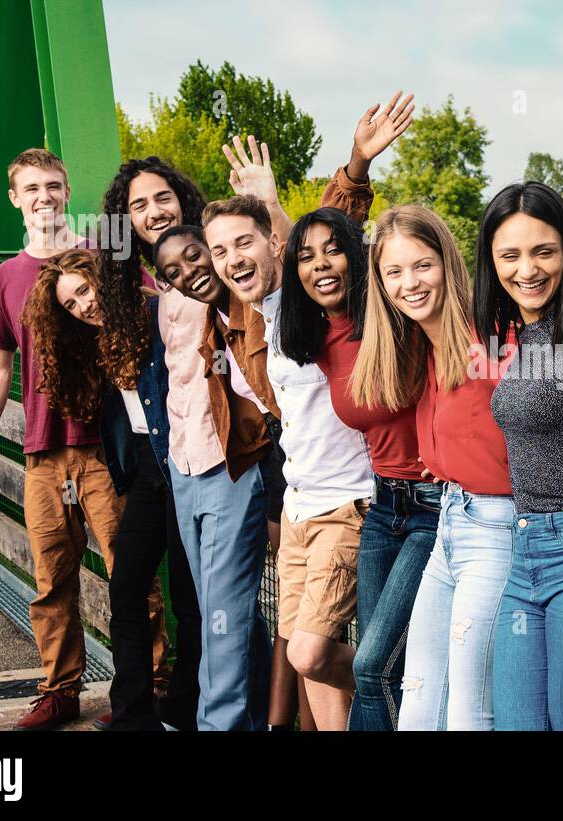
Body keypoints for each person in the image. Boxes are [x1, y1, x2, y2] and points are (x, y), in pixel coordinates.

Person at [0, 148, 167, 730]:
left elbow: (160, 304)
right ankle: (60, 691)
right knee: (51, 579)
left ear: (67, 188)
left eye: (53, 186)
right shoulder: (6, 277)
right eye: (31, 189)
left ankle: (148, 687)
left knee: (129, 573)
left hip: (108, 447)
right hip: (42, 452)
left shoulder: (101, 257)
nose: (43, 197)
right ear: (14, 198)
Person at [100, 156, 267, 730]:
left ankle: (214, 719)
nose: (153, 211)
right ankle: (212, 715)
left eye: (161, 198)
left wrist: (266, 201)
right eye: (138, 205)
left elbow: (281, 273)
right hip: (176, 462)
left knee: (216, 606)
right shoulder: (148, 293)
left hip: (226, 460)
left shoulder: (226, 275)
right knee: (210, 603)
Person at [203, 195, 373, 732]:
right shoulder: (264, 320)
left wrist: (276, 200)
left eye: (244, 242)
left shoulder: (325, 307)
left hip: (346, 505)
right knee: (309, 664)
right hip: (298, 511)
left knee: (309, 653)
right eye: (220, 250)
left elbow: (332, 244)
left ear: (274, 244)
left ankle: (413, 681)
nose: (233, 258)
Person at [18, 248, 199, 731]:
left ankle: (181, 706)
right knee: (126, 588)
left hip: (187, 463)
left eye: (84, 291)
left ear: (103, 279)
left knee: (188, 595)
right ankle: (132, 713)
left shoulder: (158, 313)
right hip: (145, 469)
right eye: (71, 305)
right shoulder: (98, 341)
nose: (83, 307)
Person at [351, 206, 516, 730]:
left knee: (469, 699)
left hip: (499, 525)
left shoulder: (492, 332)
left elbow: (545, 411)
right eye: (394, 272)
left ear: (447, 261)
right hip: (449, 517)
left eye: (421, 266)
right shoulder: (421, 345)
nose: (409, 283)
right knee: (418, 687)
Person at [275, 207, 440, 732]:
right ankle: (425, 693)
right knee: (374, 667)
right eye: (305, 257)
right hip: (383, 505)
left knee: (372, 664)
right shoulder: (318, 342)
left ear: (358, 256)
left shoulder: (401, 320)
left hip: (436, 503)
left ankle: (435, 694)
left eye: (334, 250)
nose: (321, 265)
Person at [475, 181, 563, 731]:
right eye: (509, 255)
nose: (526, 269)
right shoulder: (522, 335)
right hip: (523, 546)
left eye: (543, 251)